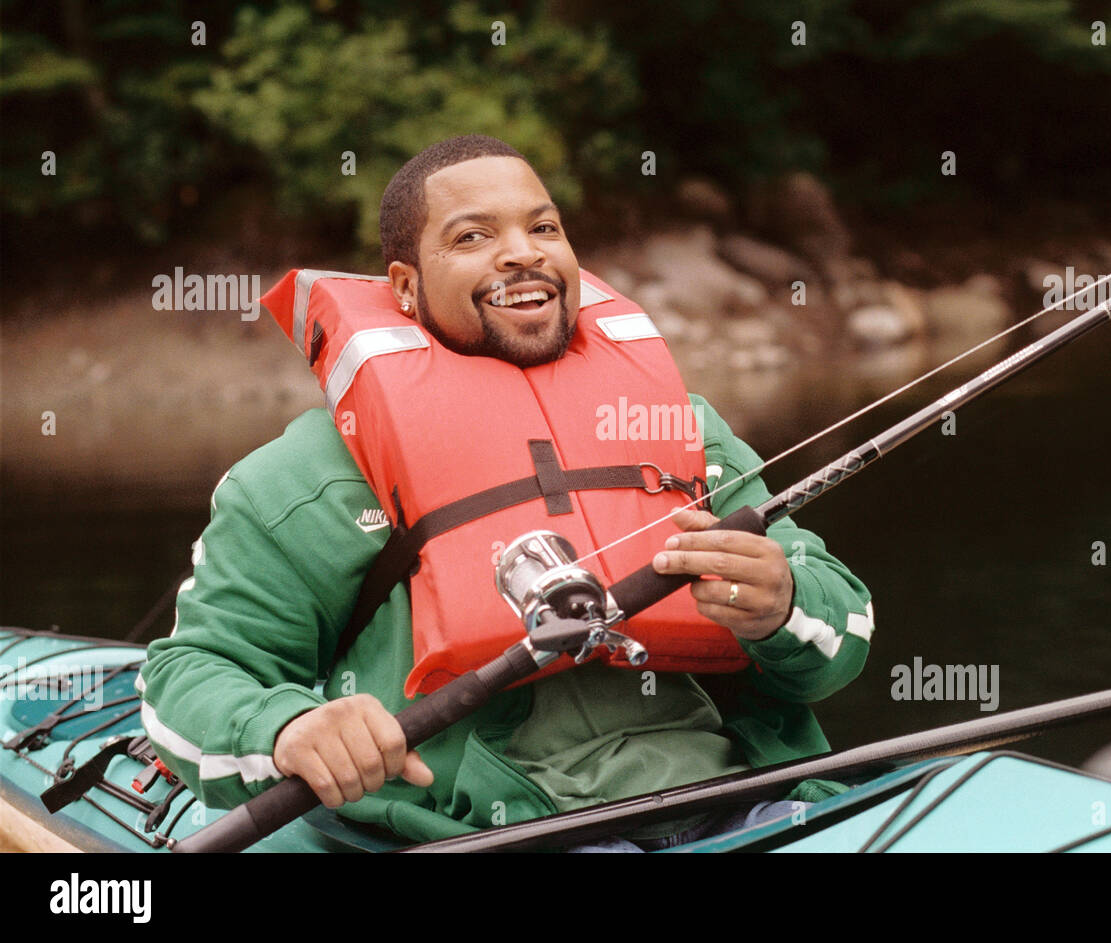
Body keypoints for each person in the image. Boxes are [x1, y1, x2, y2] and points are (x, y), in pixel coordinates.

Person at [139, 135, 873, 849]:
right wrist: (287, 729)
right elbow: (184, 680)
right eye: (472, 237)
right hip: (492, 838)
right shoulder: (303, 480)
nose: (523, 251)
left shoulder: (681, 429)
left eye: (543, 226)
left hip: (743, 812)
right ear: (404, 286)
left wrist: (782, 604)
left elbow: (844, 631)